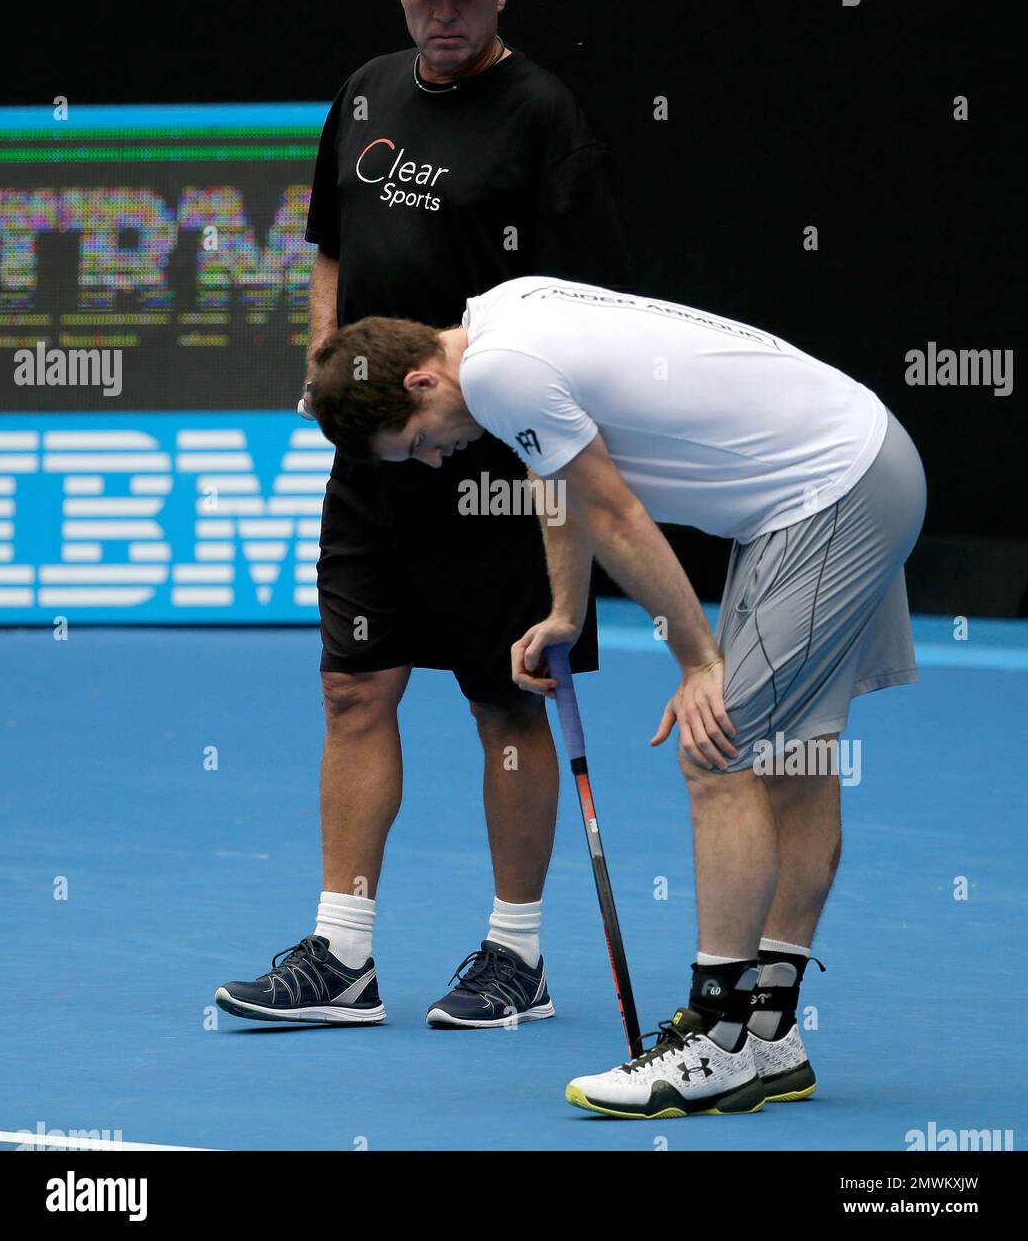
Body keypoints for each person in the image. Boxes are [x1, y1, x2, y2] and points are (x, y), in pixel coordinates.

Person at [305, 274, 927, 1118]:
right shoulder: (499, 319)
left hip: (829, 493)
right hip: (842, 470)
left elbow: (620, 515)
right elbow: (561, 480)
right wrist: (565, 610)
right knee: (793, 753)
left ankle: (716, 1042)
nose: (432, 458)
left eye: (414, 441)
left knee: (718, 751)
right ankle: (769, 1031)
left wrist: (699, 660)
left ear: (421, 382)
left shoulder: (498, 372)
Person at [215, 0, 630, 1030]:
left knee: (506, 703)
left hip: (495, 462)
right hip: (373, 458)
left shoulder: (545, 115)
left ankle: (518, 957)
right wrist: (329, 375)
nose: (441, 12)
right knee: (355, 688)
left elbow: (584, 311)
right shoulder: (364, 91)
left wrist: (526, 439)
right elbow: (332, 250)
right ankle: (342, 955)